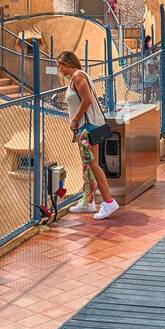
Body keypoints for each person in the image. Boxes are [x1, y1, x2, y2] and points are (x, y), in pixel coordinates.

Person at [56, 51, 119, 220]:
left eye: (59, 65)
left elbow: (87, 100)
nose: (58, 68)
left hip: (86, 128)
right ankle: (88, 201)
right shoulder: (78, 77)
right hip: (86, 128)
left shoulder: (77, 76)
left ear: (66, 63)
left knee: (92, 164)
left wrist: (74, 119)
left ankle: (109, 202)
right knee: (88, 165)